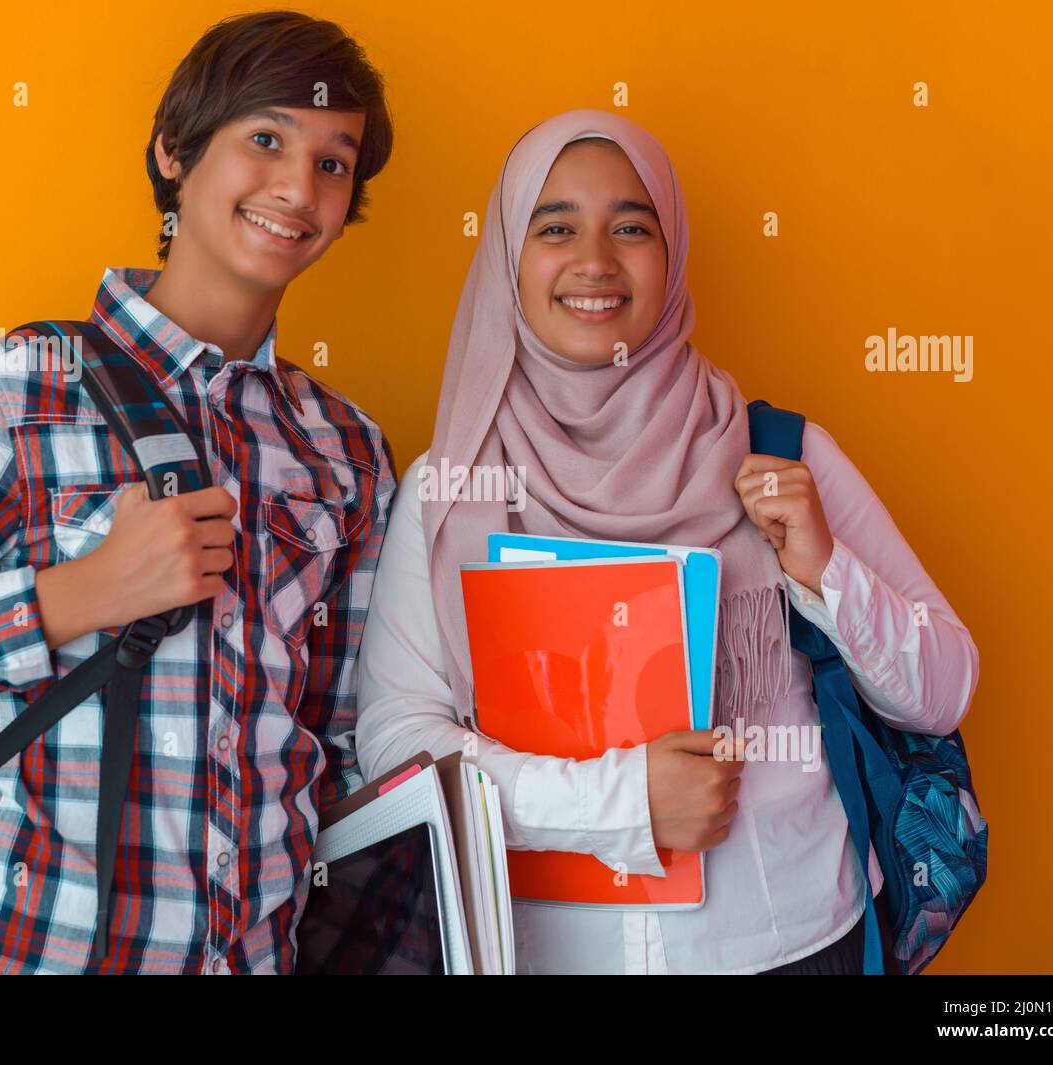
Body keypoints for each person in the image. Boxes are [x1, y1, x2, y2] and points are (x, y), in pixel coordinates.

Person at [0, 10, 396, 974]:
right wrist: (73, 597)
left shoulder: (347, 447)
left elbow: (339, 744)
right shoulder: (14, 387)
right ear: (175, 153)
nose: (299, 187)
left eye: (334, 163)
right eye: (266, 139)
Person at [354, 109, 978, 975]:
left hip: (793, 941)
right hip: (550, 955)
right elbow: (397, 738)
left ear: (672, 251)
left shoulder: (782, 454)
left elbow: (943, 691)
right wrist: (620, 802)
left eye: (632, 226)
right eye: (556, 226)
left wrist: (824, 572)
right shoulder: (450, 487)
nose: (596, 260)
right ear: (508, 256)